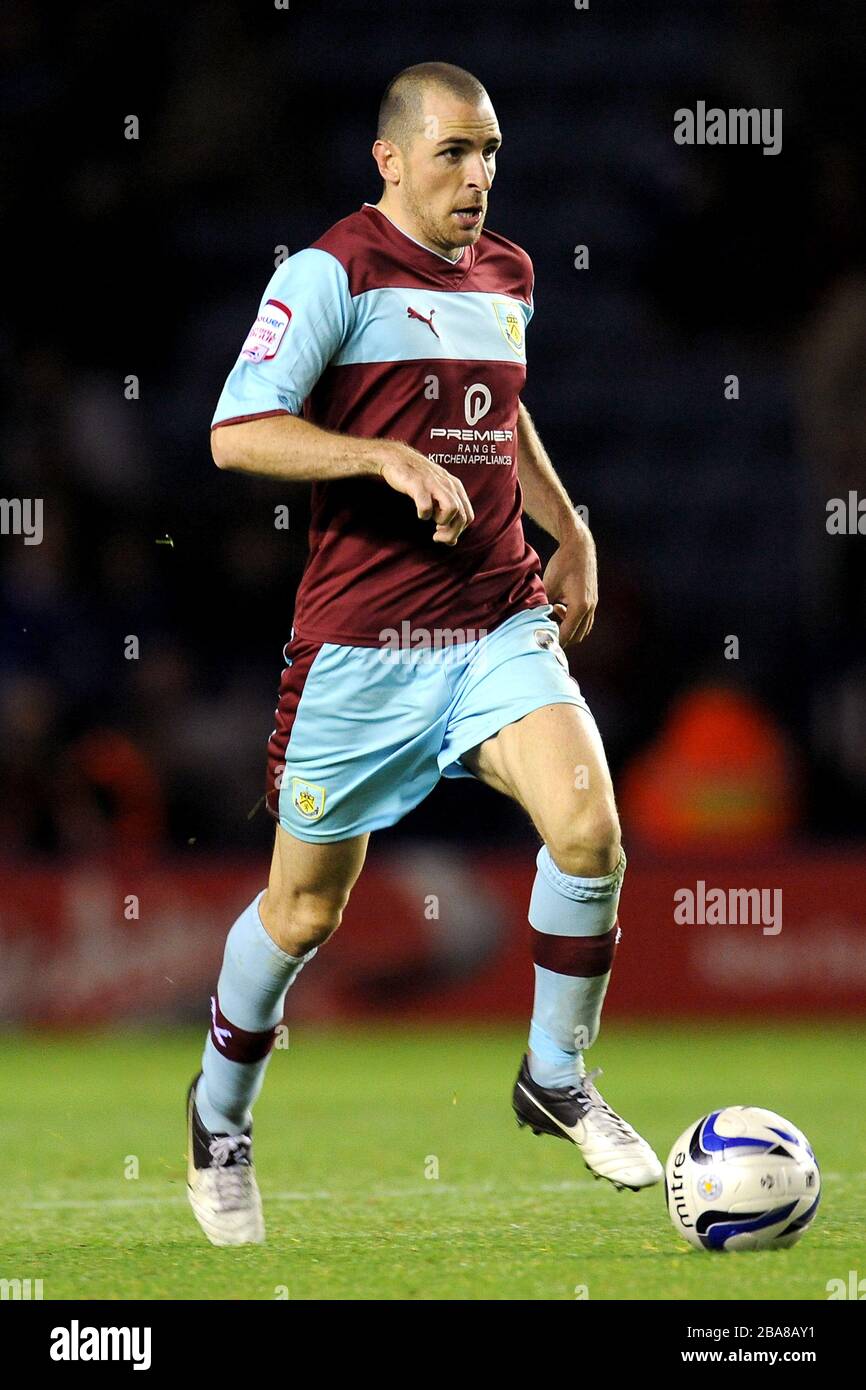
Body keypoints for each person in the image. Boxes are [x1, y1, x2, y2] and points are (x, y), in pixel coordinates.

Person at [187, 61, 661, 1247]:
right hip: (359, 645)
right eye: (453, 151)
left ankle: (554, 1073)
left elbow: (502, 411)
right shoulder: (327, 271)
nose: (478, 177)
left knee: (590, 831)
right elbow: (235, 434)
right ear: (390, 160)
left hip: (492, 620)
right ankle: (218, 1112)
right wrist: (379, 458)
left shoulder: (507, 274)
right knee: (301, 915)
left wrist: (571, 528)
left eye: (490, 150)